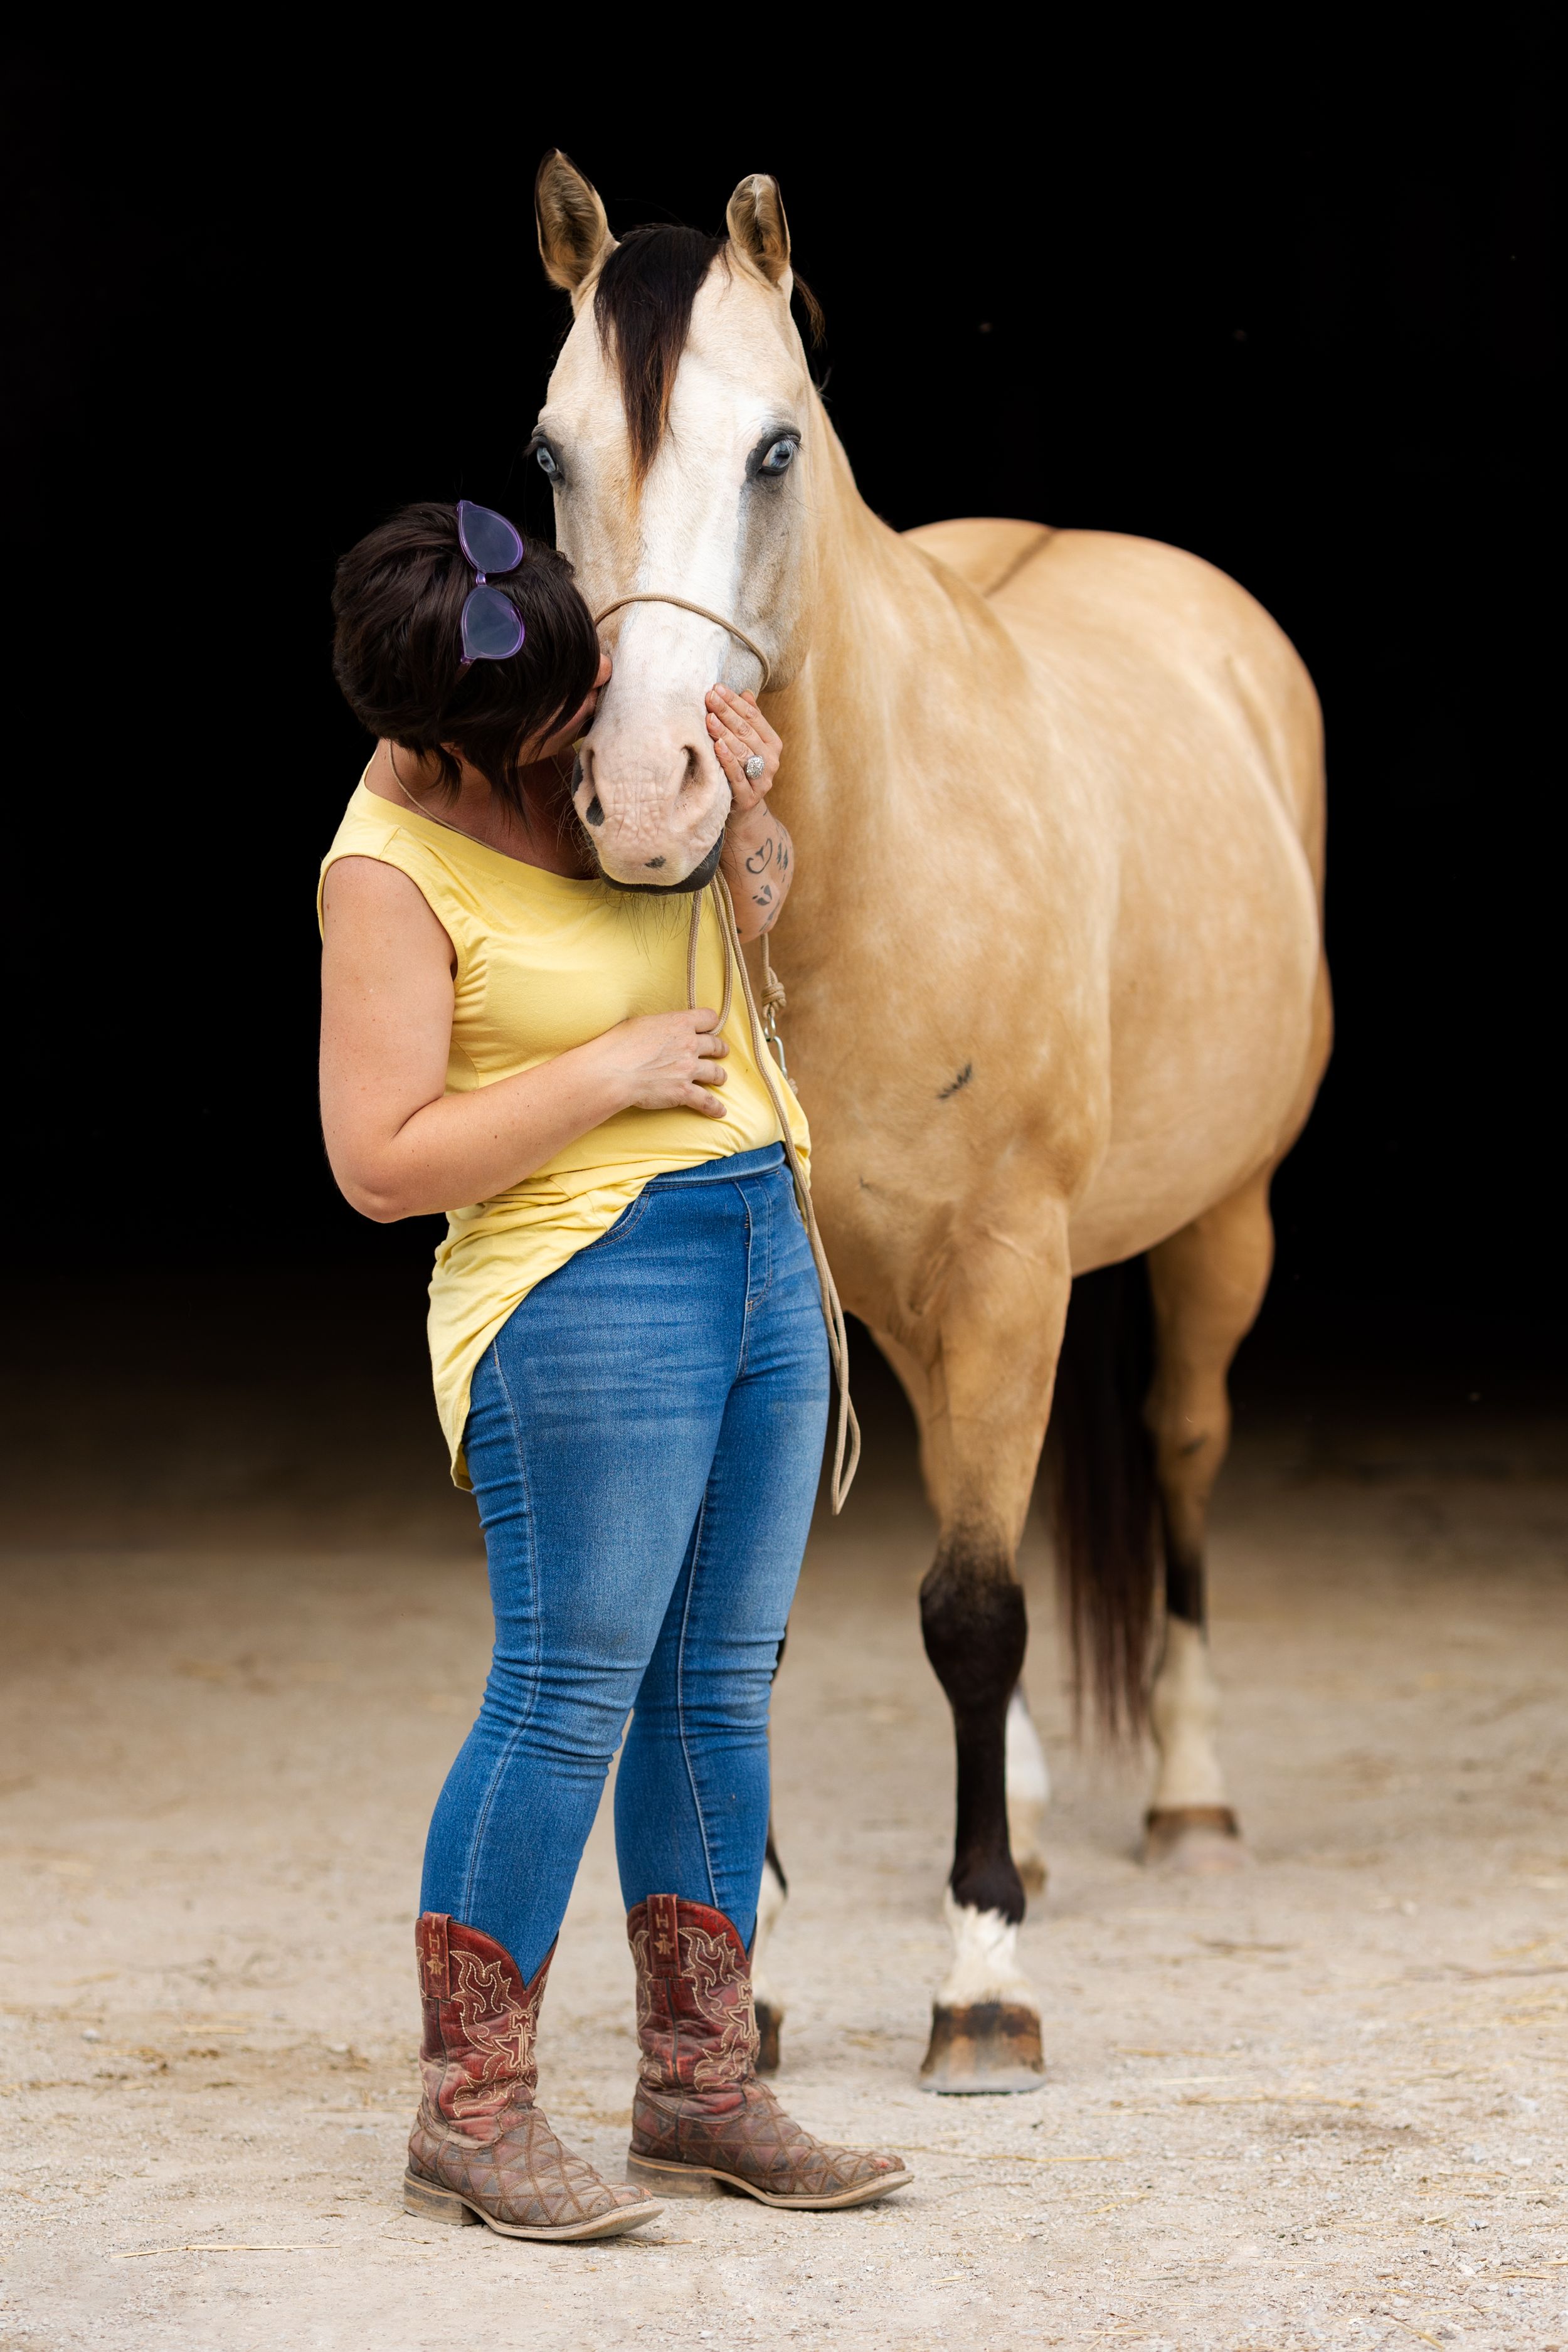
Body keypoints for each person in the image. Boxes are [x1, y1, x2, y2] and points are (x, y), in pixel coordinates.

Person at [319, 499, 909, 2241]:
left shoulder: (616, 754)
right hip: (579, 1283)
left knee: (717, 1689)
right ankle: (474, 2110)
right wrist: (604, 1074)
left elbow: (769, 945)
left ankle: (700, 2090)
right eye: (550, 718)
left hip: (755, 1241)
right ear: (446, 736)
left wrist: (754, 813)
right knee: (563, 1693)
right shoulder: (387, 864)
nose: (585, 734)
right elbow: (376, 1159)